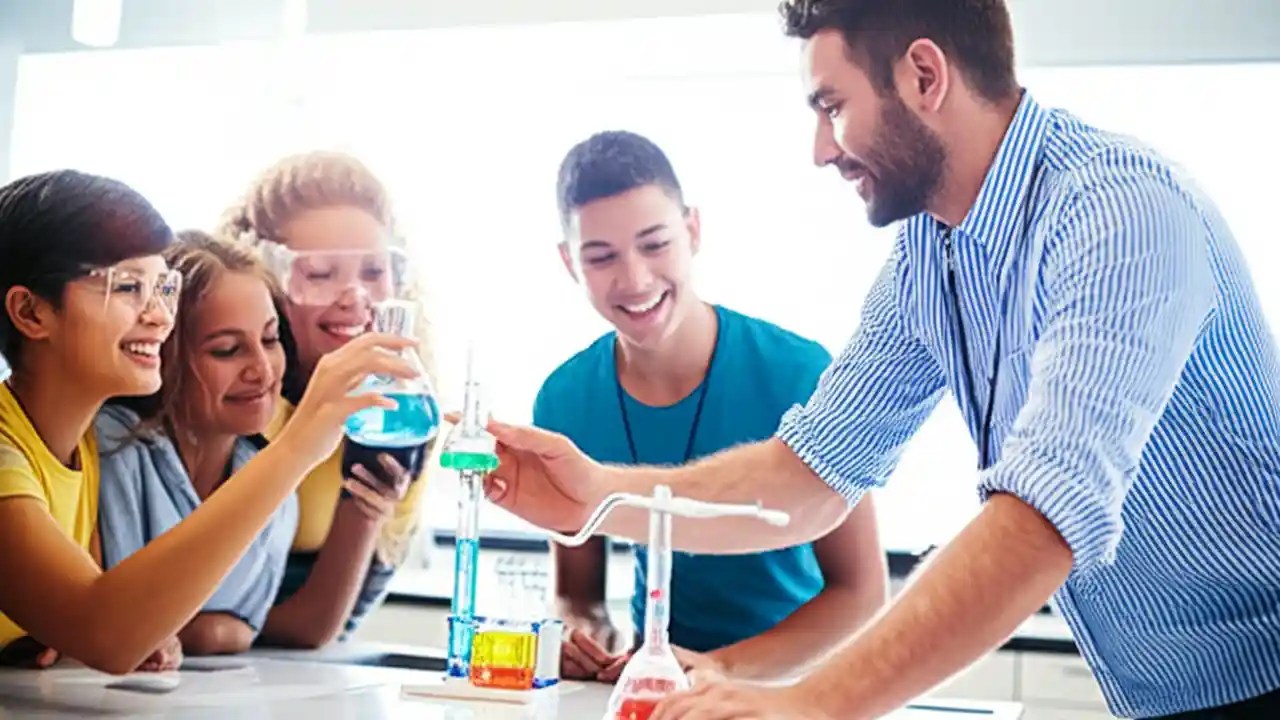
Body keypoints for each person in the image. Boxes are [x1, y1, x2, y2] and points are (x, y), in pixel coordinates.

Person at [471, 1, 1280, 718]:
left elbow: (1042, 519)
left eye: (832, 106)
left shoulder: (1118, 214)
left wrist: (810, 702)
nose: (821, 148)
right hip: (1164, 693)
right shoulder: (930, 256)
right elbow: (809, 477)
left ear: (924, 74)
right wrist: (603, 493)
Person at [0, 169, 417, 673]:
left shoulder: (78, 454)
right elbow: (106, 634)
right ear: (30, 312)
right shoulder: (48, 452)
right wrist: (299, 444)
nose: (159, 317)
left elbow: (96, 618)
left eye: (163, 289)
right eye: (129, 287)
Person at [540, 130, 887, 683]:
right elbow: (577, 596)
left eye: (655, 245)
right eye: (601, 256)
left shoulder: (797, 372)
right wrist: (581, 633)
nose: (634, 279)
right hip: (662, 691)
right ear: (569, 263)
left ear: (693, 231)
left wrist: (722, 668)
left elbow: (861, 590)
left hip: (794, 690)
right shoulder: (563, 400)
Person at [94, 231, 410, 655]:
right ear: (160, 351)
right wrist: (210, 634)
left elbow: (261, 627)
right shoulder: (113, 450)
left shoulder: (269, 485)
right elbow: (112, 624)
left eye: (269, 339)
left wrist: (209, 633)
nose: (262, 371)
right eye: (227, 350)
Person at [220, 151, 439, 645]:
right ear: (264, 280)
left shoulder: (404, 417)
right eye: (318, 274)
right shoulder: (225, 399)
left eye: (375, 272)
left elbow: (334, 624)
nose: (354, 298)